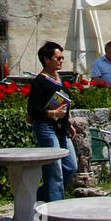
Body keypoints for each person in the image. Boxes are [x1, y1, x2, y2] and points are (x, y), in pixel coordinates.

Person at [27, 40, 77, 202]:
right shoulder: (40, 82)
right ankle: (56, 206)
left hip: (60, 127)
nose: (61, 61)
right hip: (45, 127)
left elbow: (63, 103)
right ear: (46, 60)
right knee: (54, 168)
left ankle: (40, 196)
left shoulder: (58, 78)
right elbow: (32, 110)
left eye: (62, 58)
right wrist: (52, 113)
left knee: (71, 166)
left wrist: (68, 123)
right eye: (58, 58)